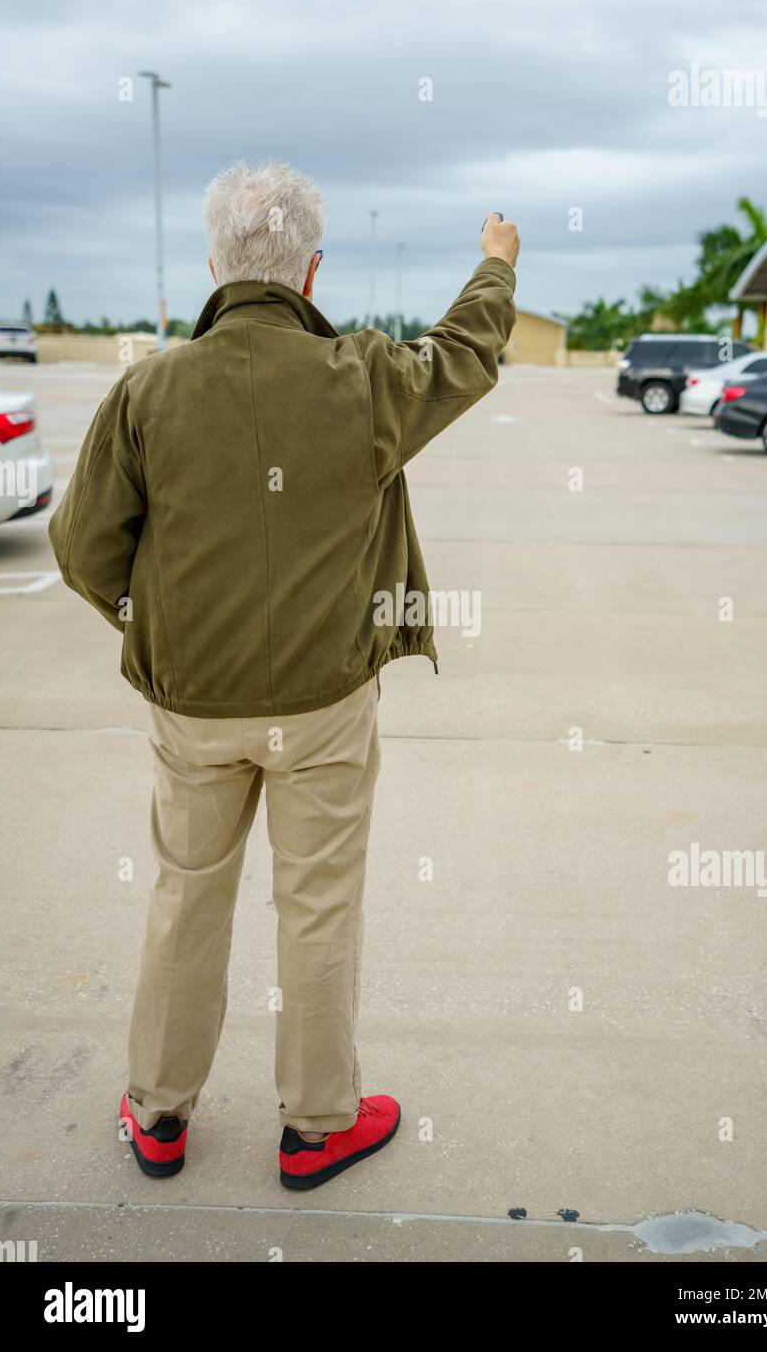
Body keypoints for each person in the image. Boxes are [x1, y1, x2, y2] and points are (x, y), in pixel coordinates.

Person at [49, 160, 519, 1189]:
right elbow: (464, 355)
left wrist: (153, 627)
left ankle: (159, 1114)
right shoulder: (364, 376)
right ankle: (315, 1127)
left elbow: (83, 548)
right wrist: (493, 267)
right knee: (316, 909)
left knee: (184, 898)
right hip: (325, 707)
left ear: (216, 266)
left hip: (192, 706)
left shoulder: (147, 389)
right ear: (310, 272)